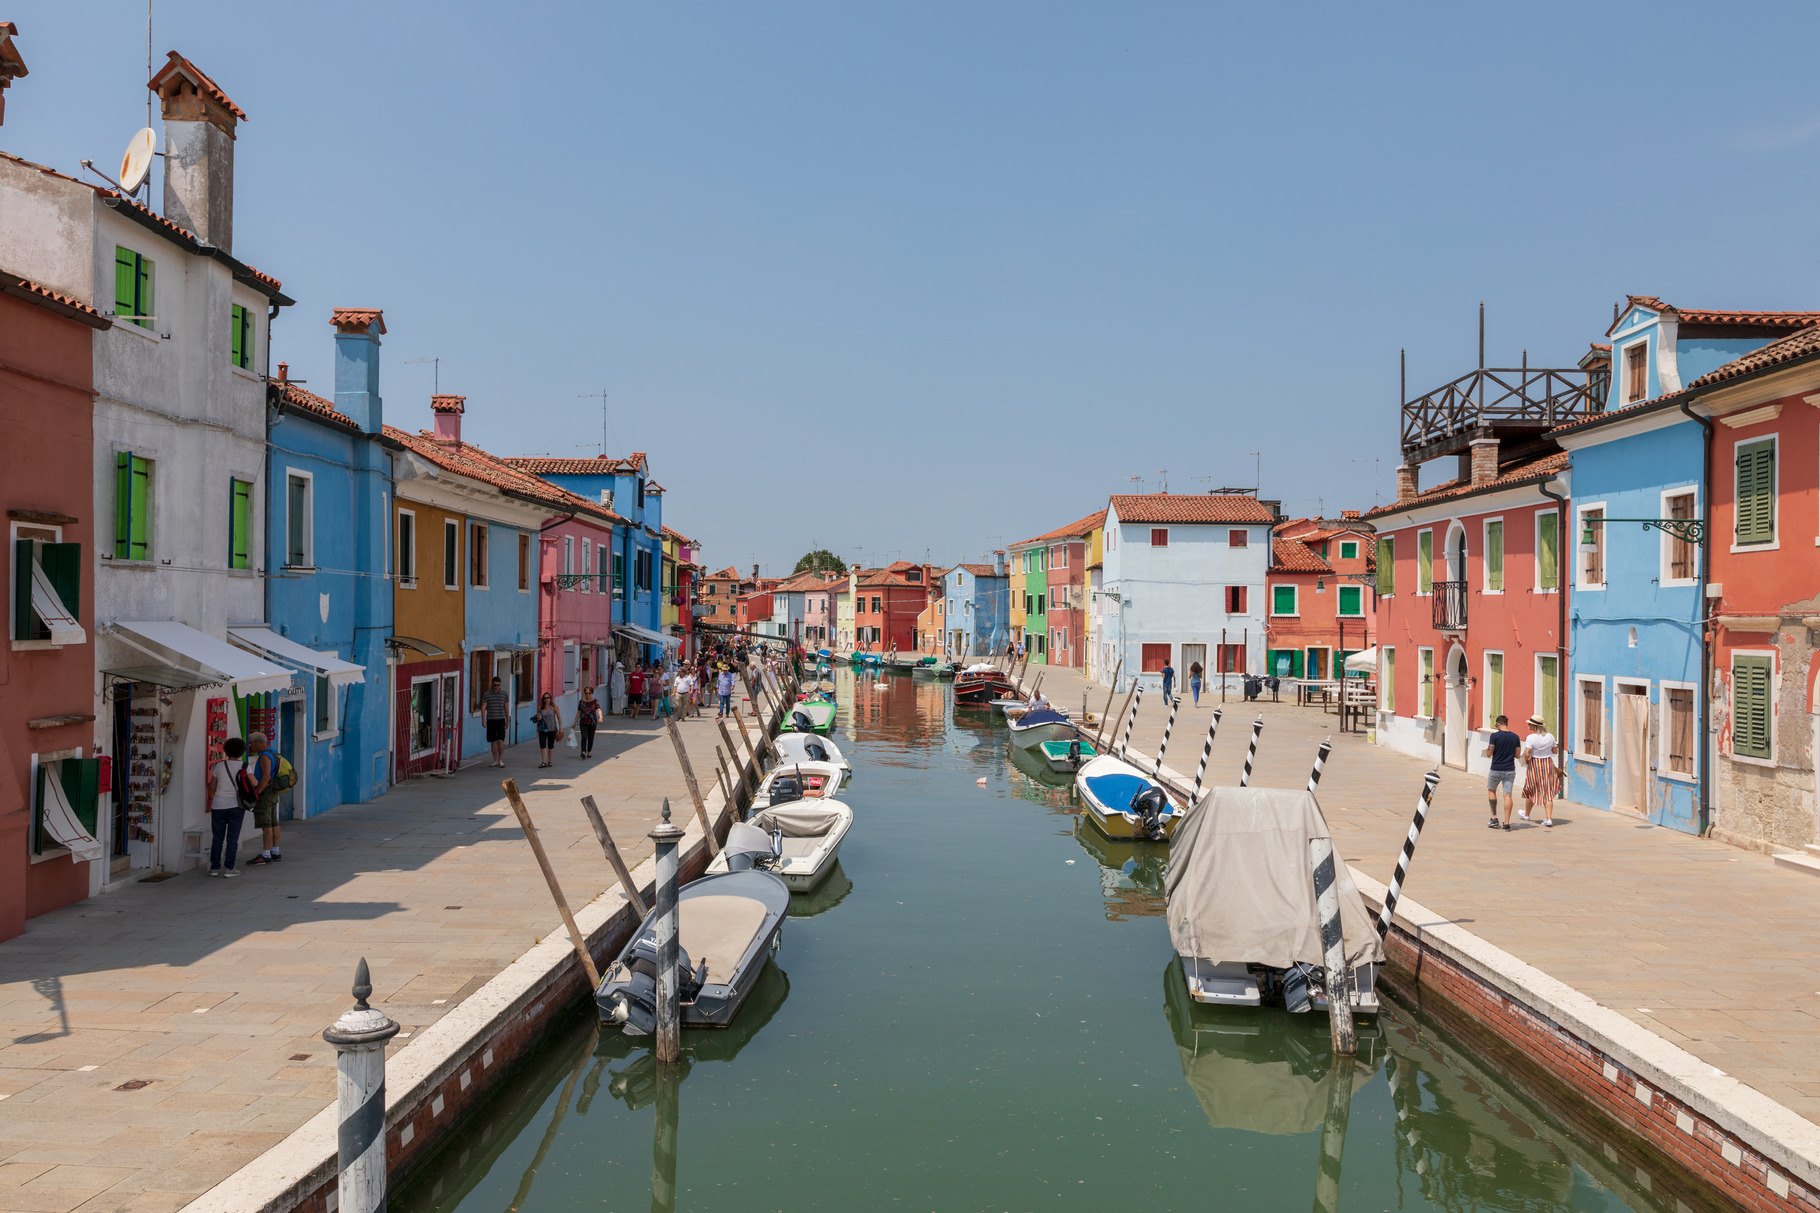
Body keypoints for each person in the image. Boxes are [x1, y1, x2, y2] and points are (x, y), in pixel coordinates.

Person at [208, 736, 247, 877]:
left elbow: (212, 786)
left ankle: (214, 867)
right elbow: (253, 783)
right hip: (236, 805)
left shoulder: (219, 765)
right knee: (232, 838)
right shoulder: (245, 766)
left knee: (217, 837)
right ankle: (230, 868)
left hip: (218, 805)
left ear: (225, 750)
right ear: (242, 751)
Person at [245, 730, 282, 866]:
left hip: (266, 793)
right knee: (274, 822)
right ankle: (275, 851)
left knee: (266, 824)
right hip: (273, 792)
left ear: (257, 743)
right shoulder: (273, 752)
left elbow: (266, 777)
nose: (250, 747)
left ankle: (265, 854)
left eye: (251, 743)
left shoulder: (264, 757)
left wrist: (257, 793)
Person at [1482, 714, 1521, 830]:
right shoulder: (1515, 737)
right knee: (1507, 795)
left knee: (1491, 791)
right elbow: (1518, 755)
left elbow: (1490, 752)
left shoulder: (1494, 736)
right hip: (1509, 769)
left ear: (1498, 724)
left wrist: (1488, 752)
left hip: (1496, 768)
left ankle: (1494, 818)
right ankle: (1507, 823)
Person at [1521, 714, 1560, 828]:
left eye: (1529, 724)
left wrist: (1526, 761)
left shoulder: (1531, 738)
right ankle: (1548, 818)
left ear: (1534, 726)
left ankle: (1527, 814)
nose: (1528, 725)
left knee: (1530, 788)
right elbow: (1555, 751)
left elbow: (1528, 753)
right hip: (1548, 763)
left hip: (1535, 764)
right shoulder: (1550, 736)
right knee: (1548, 791)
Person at [481, 675, 511, 768]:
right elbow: (483, 707)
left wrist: (507, 720)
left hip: (501, 719)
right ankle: (495, 760)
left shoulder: (504, 694)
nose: (496, 687)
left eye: (498, 685)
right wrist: (483, 720)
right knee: (493, 740)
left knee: (500, 740)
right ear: (492, 684)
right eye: (495, 685)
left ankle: (500, 759)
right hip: (491, 719)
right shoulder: (487, 694)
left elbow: (506, 708)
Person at [535, 692, 564, 768]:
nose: (546, 699)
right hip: (542, 729)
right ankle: (544, 762)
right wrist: (538, 718)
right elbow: (537, 718)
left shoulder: (554, 707)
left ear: (550, 699)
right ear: (543, 699)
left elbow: (559, 718)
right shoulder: (540, 708)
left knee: (551, 745)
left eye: (548, 698)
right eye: (545, 698)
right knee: (542, 745)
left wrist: (560, 729)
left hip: (551, 729)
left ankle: (550, 761)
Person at [575, 685, 602, 758]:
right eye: (586, 693)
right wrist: (575, 722)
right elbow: (578, 712)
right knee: (584, 737)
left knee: (591, 737)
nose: (587, 694)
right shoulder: (581, 702)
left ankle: (589, 751)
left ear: (592, 693)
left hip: (592, 722)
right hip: (583, 722)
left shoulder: (595, 701)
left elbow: (598, 709)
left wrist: (600, 717)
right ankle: (583, 751)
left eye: (589, 693)